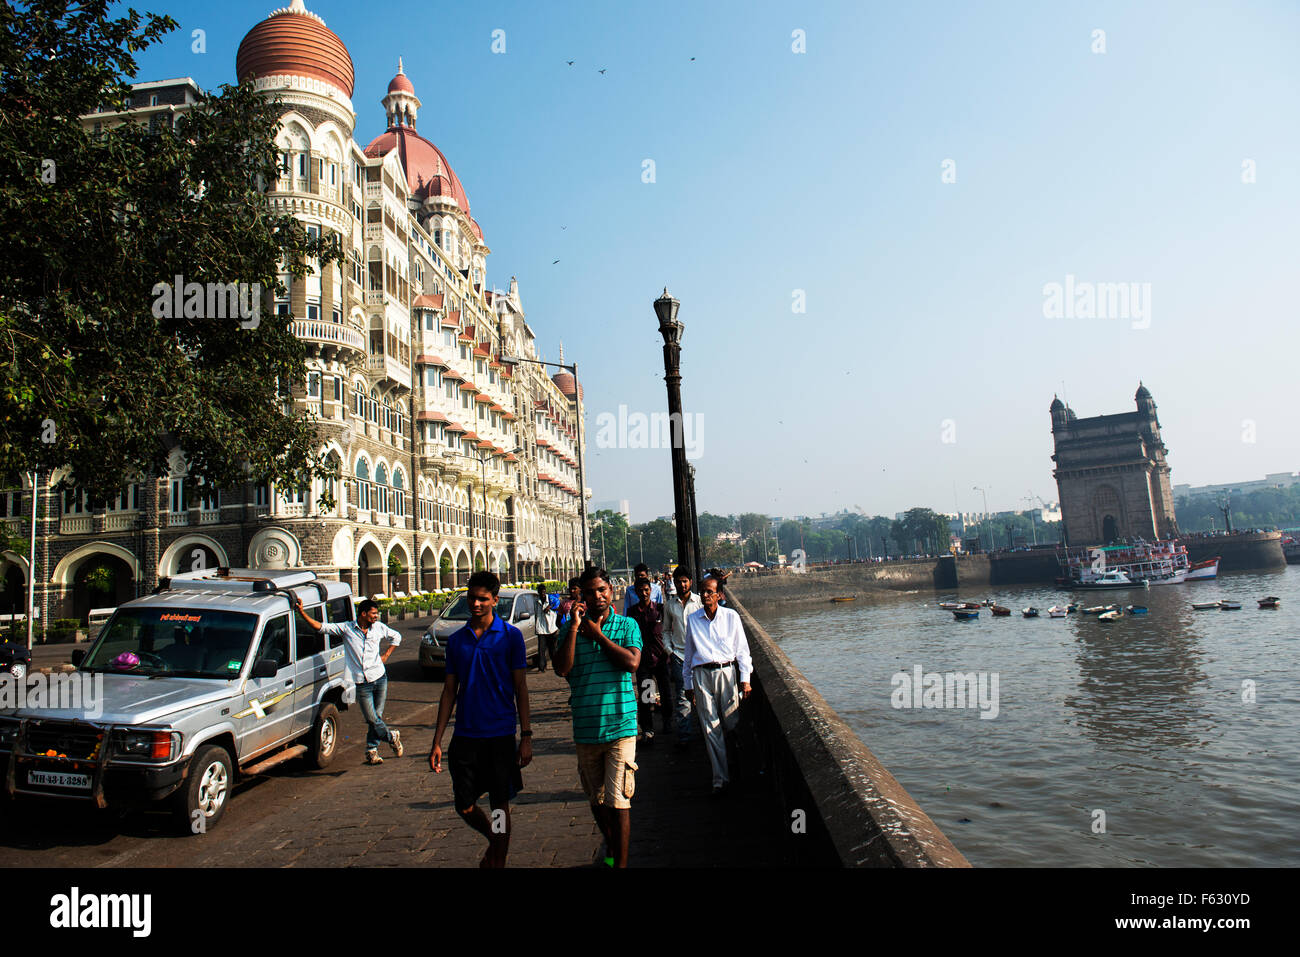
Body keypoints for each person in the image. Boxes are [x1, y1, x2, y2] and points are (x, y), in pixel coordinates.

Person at [428, 570, 532, 867]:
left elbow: (521, 688)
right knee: (464, 804)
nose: (475, 604)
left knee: (499, 804)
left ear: (494, 600)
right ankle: (494, 840)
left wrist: (526, 736)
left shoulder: (510, 637)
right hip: (466, 735)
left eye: (482, 599)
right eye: (471, 598)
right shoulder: (457, 641)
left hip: (499, 734)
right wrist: (437, 741)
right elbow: (449, 691)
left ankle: (498, 858)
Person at [552, 566, 641, 868]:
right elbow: (562, 668)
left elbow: (631, 663)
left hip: (621, 724)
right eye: (590, 592)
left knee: (619, 801)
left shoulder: (627, 625)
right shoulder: (570, 630)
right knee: (597, 800)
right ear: (582, 596)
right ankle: (612, 848)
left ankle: (619, 864)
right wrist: (575, 628)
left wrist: (599, 636)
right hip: (587, 727)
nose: (597, 596)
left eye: (602, 590)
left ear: (611, 591)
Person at [294, 597, 403, 765]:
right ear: (363, 614)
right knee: (372, 719)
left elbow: (396, 637)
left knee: (377, 717)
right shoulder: (347, 629)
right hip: (362, 683)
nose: (376, 616)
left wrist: (386, 655)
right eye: (373, 613)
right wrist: (301, 612)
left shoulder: (379, 628)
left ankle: (372, 750)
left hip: (380, 678)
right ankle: (391, 737)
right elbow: (320, 627)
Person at [683, 577, 752, 795]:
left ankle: (738, 766)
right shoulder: (693, 619)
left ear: (719, 594)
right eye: (703, 592)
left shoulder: (731, 617)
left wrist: (745, 678)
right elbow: (688, 654)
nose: (705, 595)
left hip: (726, 672)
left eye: (710, 592)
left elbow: (742, 650)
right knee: (710, 728)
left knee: (732, 723)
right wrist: (687, 683)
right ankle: (720, 779)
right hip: (701, 674)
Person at [662, 565, 703, 749]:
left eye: (685, 581)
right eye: (679, 582)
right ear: (674, 583)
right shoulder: (670, 605)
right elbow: (665, 630)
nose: (682, 585)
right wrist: (669, 650)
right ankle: (684, 736)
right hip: (679, 655)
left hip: (699, 655)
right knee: (682, 697)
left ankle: (706, 733)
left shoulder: (700, 602)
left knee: (702, 695)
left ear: (690, 582)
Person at [627, 578, 670, 745]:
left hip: (661, 658)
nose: (644, 593)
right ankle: (647, 728)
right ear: (636, 592)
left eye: (646, 590)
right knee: (646, 695)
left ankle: (667, 720)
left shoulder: (660, 609)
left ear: (651, 590)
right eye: (640, 590)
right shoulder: (632, 612)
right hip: (643, 660)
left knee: (665, 693)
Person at [534, 583, 560, 672]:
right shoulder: (537, 601)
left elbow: (558, 605)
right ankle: (541, 667)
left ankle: (556, 665)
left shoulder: (551, 599)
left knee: (552, 649)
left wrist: (550, 607)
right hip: (541, 628)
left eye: (544, 592)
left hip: (551, 628)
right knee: (541, 650)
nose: (542, 594)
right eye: (541, 592)